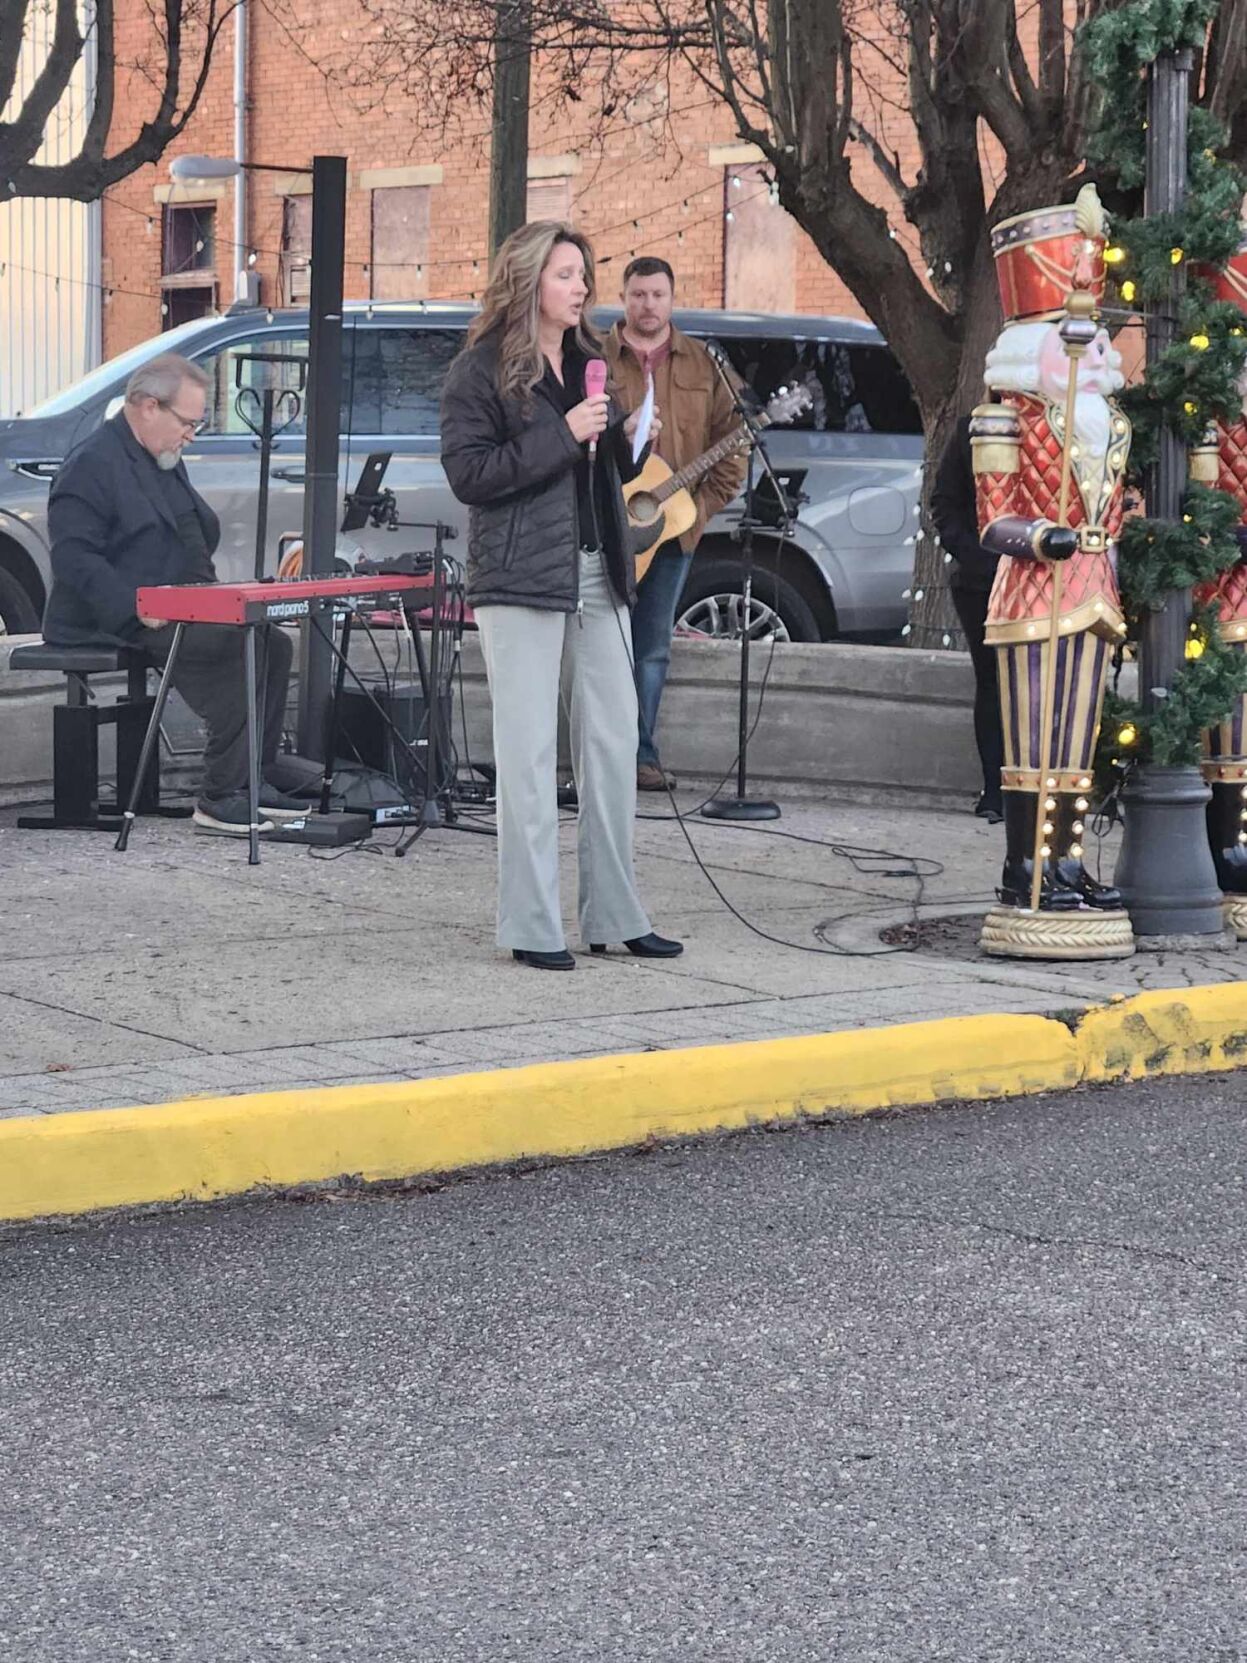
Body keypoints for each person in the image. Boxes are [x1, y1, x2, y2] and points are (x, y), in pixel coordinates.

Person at [439, 221, 682, 971]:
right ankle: (532, 923)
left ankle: (614, 914)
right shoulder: (478, 372)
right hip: (518, 581)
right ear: (528, 280)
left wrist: (628, 441)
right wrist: (562, 433)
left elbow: (592, 463)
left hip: (592, 568)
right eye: (567, 274)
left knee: (611, 743)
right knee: (529, 752)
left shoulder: (587, 362)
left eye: (583, 275)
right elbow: (470, 476)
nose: (582, 288)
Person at [43, 353, 311, 836]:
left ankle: (252, 778)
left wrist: (212, 597)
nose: (191, 434)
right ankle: (220, 795)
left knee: (272, 641)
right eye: (187, 422)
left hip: (174, 604)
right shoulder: (92, 465)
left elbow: (188, 533)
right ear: (148, 406)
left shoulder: (161, 455)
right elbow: (74, 559)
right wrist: (136, 607)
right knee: (236, 645)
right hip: (113, 614)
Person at [604, 256, 746, 790]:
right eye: (638, 295)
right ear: (624, 298)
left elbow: (732, 448)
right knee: (596, 642)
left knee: (652, 647)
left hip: (669, 532)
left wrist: (692, 515)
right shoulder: (594, 356)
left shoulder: (703, 364)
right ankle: (591, 751)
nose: (648, 305)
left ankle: (640, 756)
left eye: (658, 295)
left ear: (672, 297)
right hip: (603, 527)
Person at [931, 415, 1005, 823]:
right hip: (983, 579)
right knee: (993, 683)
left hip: (1051, 579)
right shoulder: (973, 428)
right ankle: (995, 790)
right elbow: (945, 500)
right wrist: (975, 555)